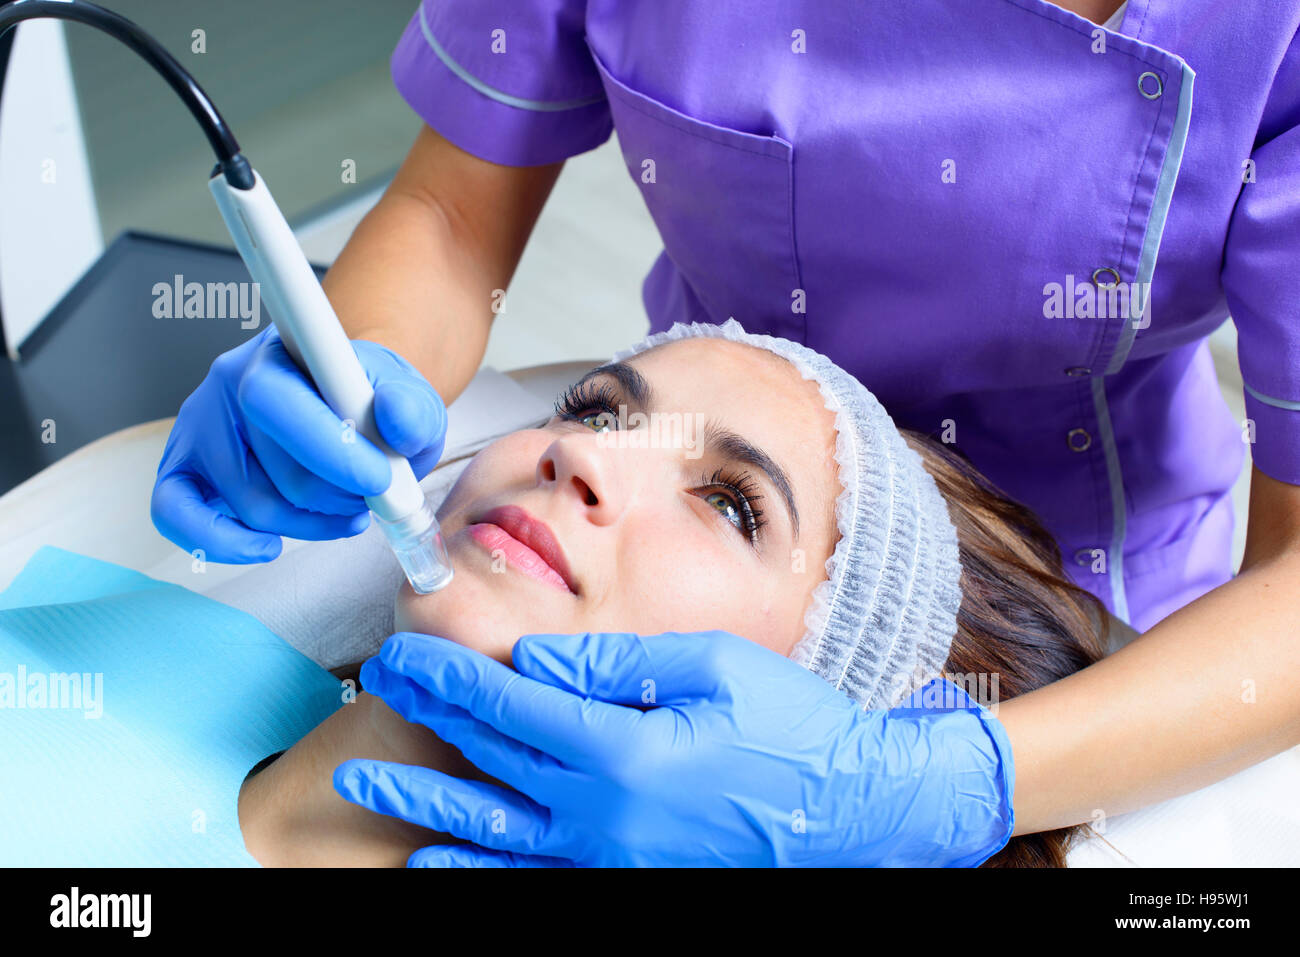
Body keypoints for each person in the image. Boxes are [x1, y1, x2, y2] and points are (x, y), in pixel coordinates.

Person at [151, 0, 1300, 865]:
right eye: (595, 410)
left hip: (1111, 637)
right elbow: (452, 213)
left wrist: (936, 781)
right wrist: (351, 372)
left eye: (729, 505)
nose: (580, 453)